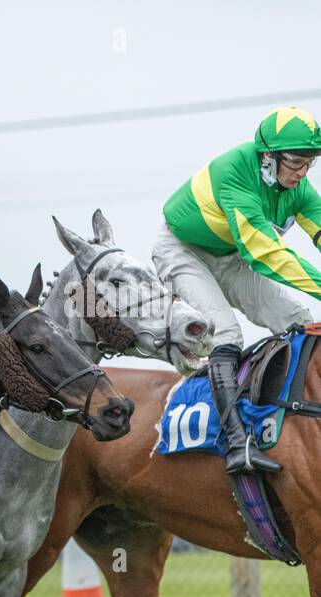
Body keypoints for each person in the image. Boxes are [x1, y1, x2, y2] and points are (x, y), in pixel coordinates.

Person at [156, 106, 321, 474]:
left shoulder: (300, 190)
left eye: (309, 163)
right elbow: (266, 254)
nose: (301, 173)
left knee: (299, 319)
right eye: (294, 162)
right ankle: (235, 442)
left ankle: (294, 419)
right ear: (268, 156)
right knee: (226, 332)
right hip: (184, 252)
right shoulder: (235, 171)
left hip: (231, 257)